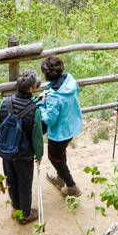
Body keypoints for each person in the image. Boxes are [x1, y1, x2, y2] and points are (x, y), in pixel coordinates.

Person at [0, 69, 44, 224]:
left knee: (11, 181)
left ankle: (16, 209)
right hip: (24, 154)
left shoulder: (5, 103)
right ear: (31, 89)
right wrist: (39, 155)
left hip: (7, 152)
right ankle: (26, 214)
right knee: (24, 184)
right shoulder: (34, 111)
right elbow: (37, 139)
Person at [39, 55, 83, 197]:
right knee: (60, 154)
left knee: (54, 158)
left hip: (60, 132)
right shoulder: (70, 80)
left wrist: (42, 108)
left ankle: (71, 186)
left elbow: (50, 120)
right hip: (72, 125)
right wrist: (48, 95)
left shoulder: (54, 96)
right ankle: (60, 178)